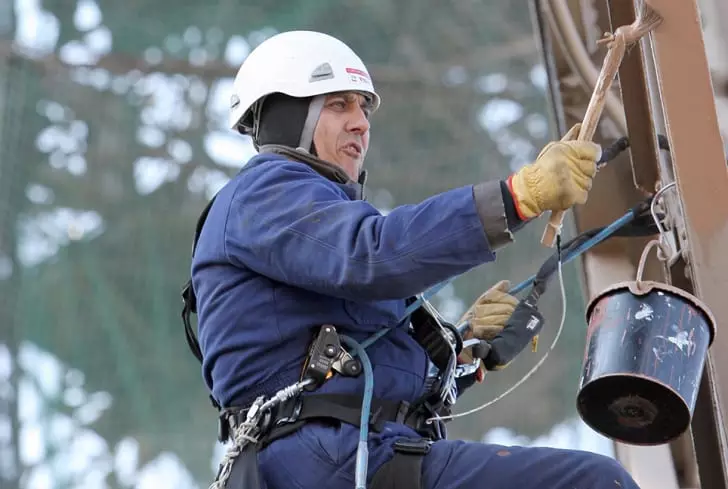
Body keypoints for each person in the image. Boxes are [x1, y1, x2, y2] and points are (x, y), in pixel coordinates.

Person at [188, 30, 641, 489]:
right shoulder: (264, 193)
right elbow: (375, 254)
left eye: (362, 108)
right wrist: (516, 197)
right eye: (338, 104)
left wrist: (462, 349)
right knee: (594, 483)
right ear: (286, 116)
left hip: (349, 458)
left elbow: (364, 370)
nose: (361, 123)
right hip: (327, 460)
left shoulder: (309, 232)